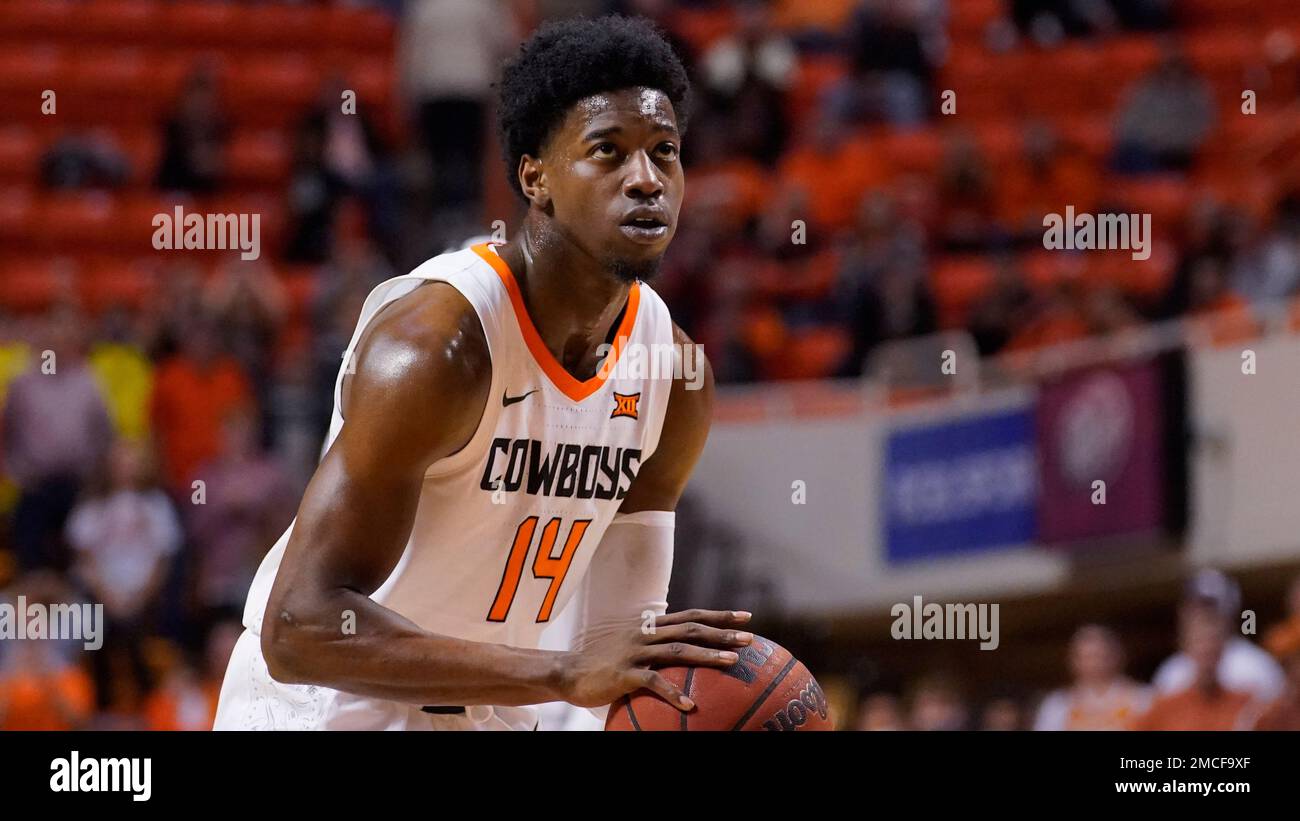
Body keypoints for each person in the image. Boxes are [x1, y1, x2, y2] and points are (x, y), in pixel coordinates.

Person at [215, 16, 751, 731]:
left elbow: (620, 647)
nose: (647, 179)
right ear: (536, 178)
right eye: (608, 152)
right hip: (330, 706)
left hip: (496, 705)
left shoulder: (675, 377)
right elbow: (299, 627)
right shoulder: (438, 348)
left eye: (665, 152)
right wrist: (561, 674)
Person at [1151, 569, 1285, 702]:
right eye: (1196, 606)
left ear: (1231, 613)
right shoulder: (1171, 672)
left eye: (1211, 607)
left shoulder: (1256, 666)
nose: (1203, 614)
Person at [1134, 603, 1255, 731]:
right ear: (1186, 647)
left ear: (1224, 648)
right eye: (1200, 642)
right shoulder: (1164, 707)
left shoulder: (1245, 703)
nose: (1208, 649)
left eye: (1214, 643)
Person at [1034, 625, 1149, 730]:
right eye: (1087, 657)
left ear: (1117, 656)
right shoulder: (1058, 704)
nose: (1095, 664)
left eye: (1100, 655)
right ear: (1073, 661)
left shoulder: (1142, 697)